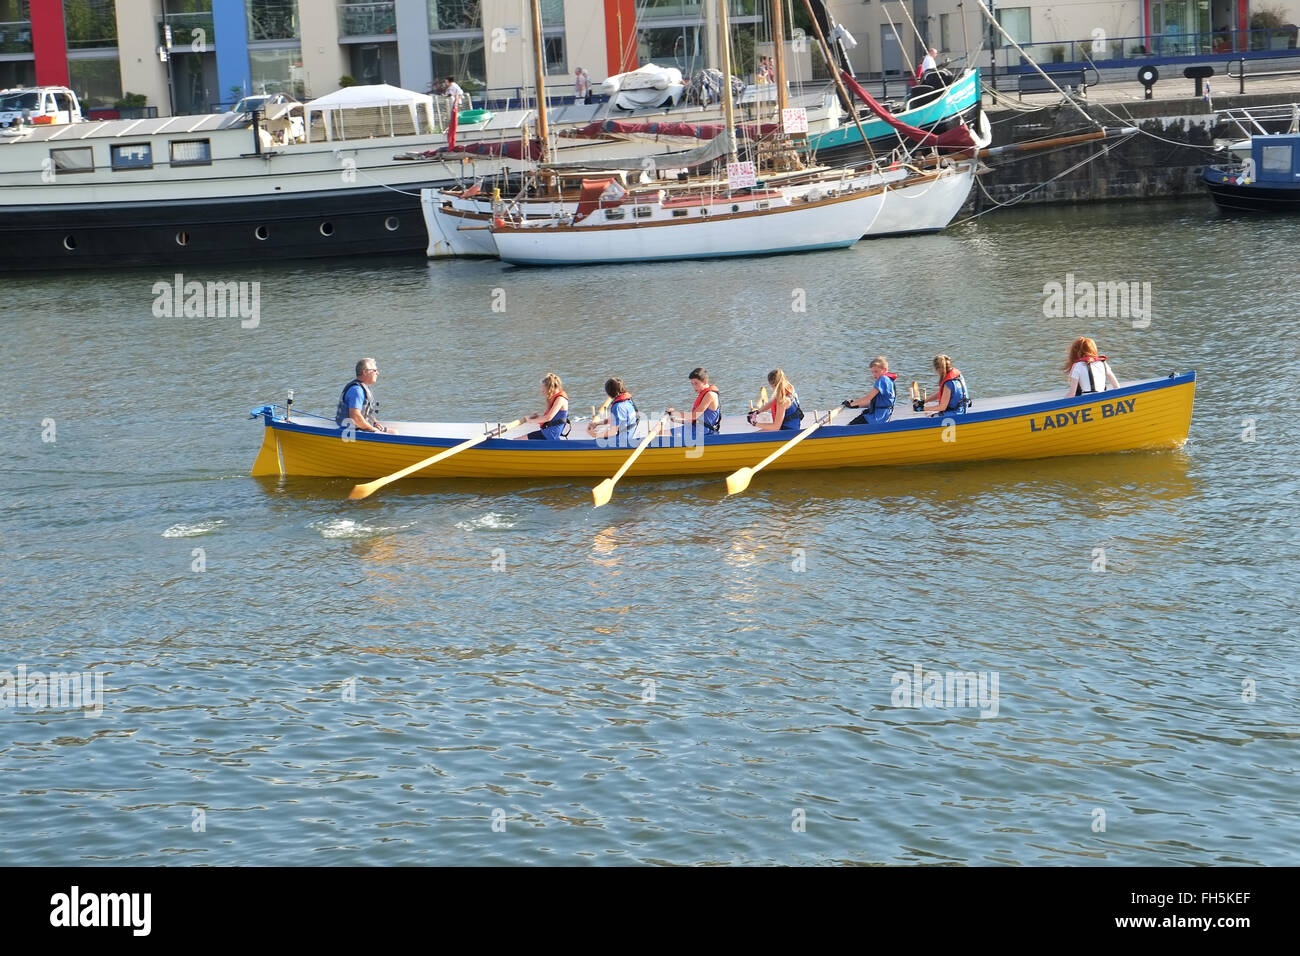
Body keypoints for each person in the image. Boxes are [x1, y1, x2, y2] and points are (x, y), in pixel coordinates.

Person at [336, 358, 394, 434]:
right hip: (352, 431)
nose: (377, 373)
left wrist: (375, 422)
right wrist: (373, 429)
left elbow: (366, 411)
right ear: (365, 372)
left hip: (361, 427)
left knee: (394, 432)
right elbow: (355, 417)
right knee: (394, 434)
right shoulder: (357, 391)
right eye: (375, 370)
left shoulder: (363, 387)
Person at [842, 356, 897, 425]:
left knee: (849, 427)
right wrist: (855, 405)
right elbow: (873, 403)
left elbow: (868, 398)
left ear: (885, 370)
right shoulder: (888, 380)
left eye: (876, 371)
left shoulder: (882, 379)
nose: (874, 374)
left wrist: (852, 404)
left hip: (876, 418)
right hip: (882, 417)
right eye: (872, 372)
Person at [667, 367, 722, 436]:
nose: (694, 387)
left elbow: (693, 416)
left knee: (664, 434)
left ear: (705, 382)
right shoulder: (704, 394)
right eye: (692, 384)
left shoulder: (710, 395)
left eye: (696, 383)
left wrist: (675, 413)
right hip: (697, 429)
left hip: (703, 433)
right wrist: (676, 420)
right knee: (661, 432)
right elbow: (697, 420)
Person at [587, 377, 640, 445]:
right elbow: (615, 420)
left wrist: (595, 435)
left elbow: (613, 432)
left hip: (624, 440)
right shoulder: (628, 400)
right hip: (630, 432)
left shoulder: (618, 407)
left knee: (597, 442)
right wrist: (597, 423)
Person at [518, 372, 569, 440]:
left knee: (517, 440)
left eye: (543, 391)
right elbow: (548, 419)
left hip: (551, 434)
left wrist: (529, 420)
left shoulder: (560, 399)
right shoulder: (553, 399)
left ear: (549, 389)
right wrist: (536, 418)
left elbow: (548, 418)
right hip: (548, 432)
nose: (542, 393)